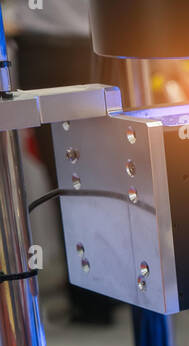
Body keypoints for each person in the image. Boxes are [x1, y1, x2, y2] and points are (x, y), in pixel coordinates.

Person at [3, 0, 121, 322]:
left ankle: (92, 297)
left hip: (53, 50)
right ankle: (110, 287)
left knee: (67, 173)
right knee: (99, 169)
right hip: (94, 44)